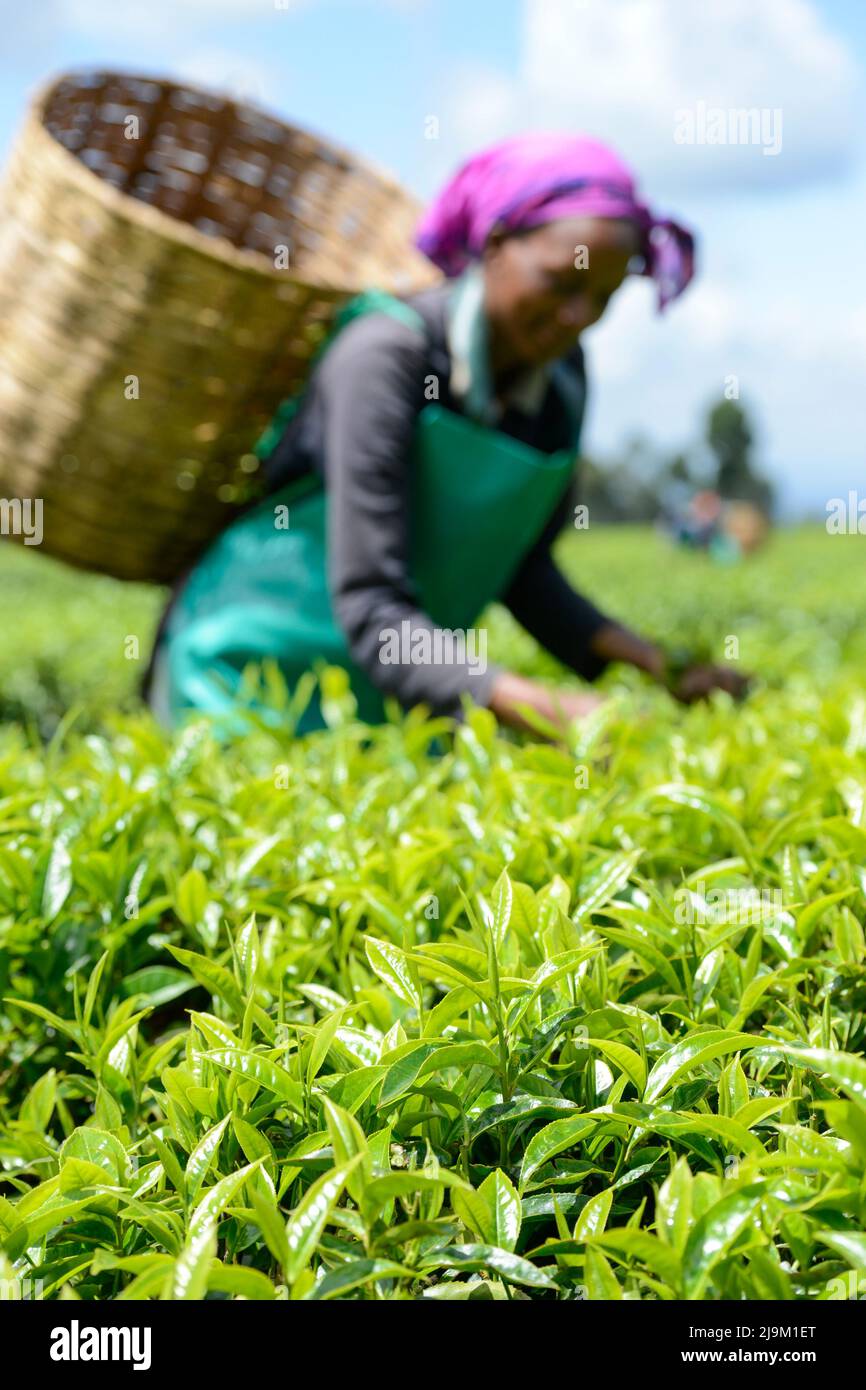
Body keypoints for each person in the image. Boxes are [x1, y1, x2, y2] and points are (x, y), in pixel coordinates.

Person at [145, 133, 747, 736]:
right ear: (496, 246)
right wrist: (540, 707)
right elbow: (371, 605)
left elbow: (521, 569)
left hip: (392, 703)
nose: (577, 317)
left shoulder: (562, 380)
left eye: (602, 298)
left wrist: (655, 664)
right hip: (244, 677)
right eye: (563, 284)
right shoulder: (384, 356)